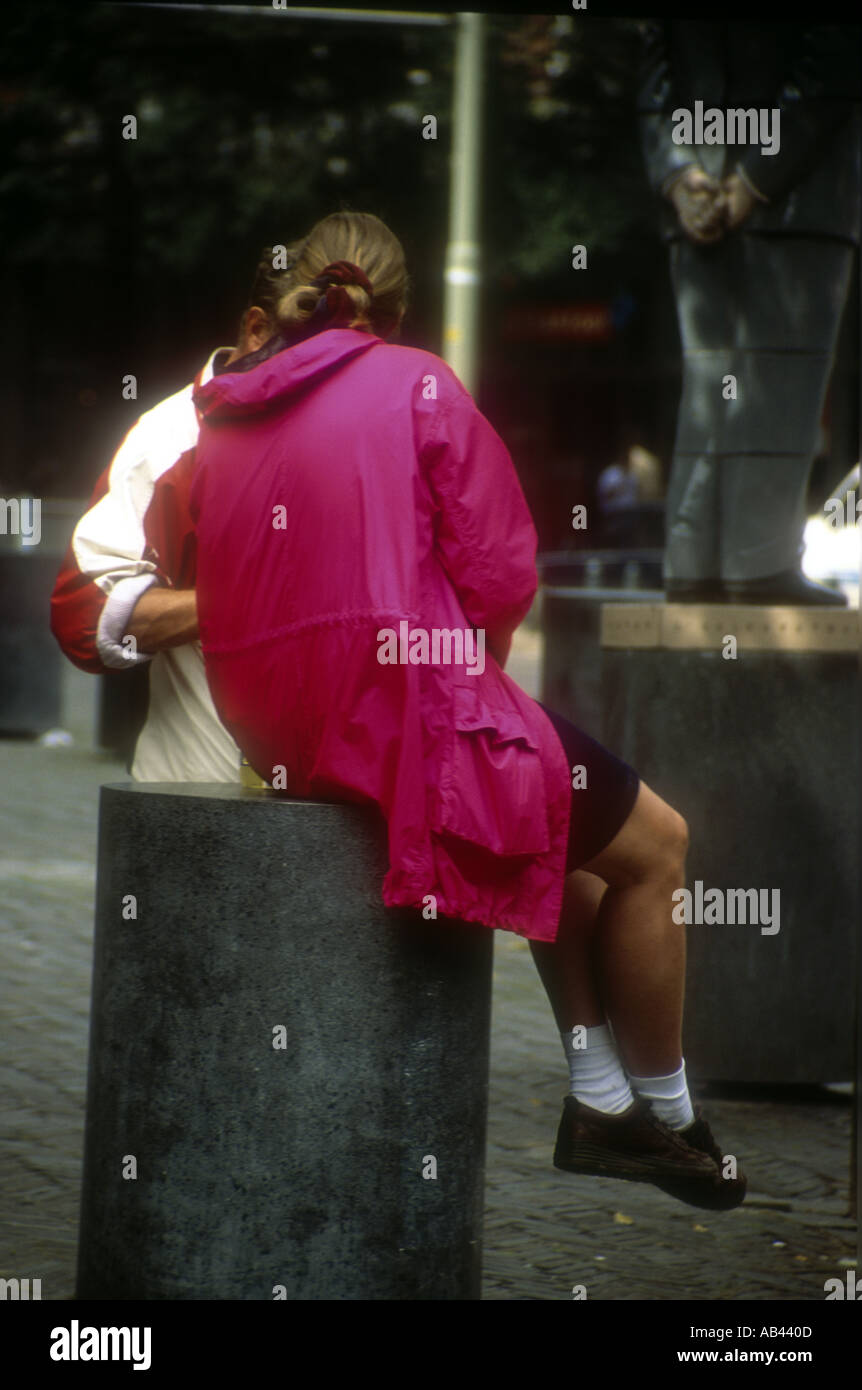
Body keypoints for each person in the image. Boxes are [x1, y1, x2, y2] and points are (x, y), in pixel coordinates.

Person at [190, 210, 745, 1210]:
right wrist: (470, 666)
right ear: (393, 312)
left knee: (560, 827)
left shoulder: (222, 411)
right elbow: (499, 570)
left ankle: (599, 1097)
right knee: (659, 843)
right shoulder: (416, 382)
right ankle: (671, 1111)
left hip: (276, 728)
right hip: (403, 709)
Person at [50, 243, 303, 780]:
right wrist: (245, 602)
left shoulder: (361, 433)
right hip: (191, 802)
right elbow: (82, 614)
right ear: (256, 330)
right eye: (313, 356)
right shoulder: (173, 435)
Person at [637, 20, 860, 604]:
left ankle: (695, 562)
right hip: (800, 205)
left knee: (711, 385)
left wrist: (682, 174)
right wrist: (759, 177)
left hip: (698, 196)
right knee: (780, 380)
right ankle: (758, 563)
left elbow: (655, 66)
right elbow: (833, 63)